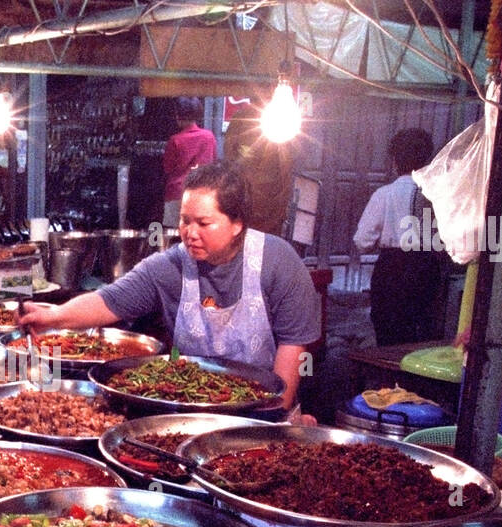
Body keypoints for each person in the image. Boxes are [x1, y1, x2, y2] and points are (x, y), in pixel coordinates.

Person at [20, 161, 320, 414]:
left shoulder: (279, 263)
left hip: (261, 413)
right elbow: (108, 301)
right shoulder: (172, 266)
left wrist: (272, 417)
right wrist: (53, 317)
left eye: (204, 223)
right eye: (185, 221)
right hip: (188, 409)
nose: (190, 233)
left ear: (237, 223)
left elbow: (292, 351)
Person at [354, 127, 448, 346]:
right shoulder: (437, 195)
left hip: (392, 270)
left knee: (389, 337)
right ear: (427, 160)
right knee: (422, 338)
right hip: (427, 268)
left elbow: (362, 242)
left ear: (395, 161)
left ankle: (390, 379)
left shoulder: (384, 195)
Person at [221, 99, 296, 236]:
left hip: (263, 200)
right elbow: (229, 157)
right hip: (252, 198)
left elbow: (286, 166)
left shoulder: (280, 121)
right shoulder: (243, 117)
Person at [161, 97, 216, 227]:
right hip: (203, 192)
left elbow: (167, 168)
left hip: (177, 192)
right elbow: (213, 164)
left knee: (175, 234)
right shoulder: (209, 137)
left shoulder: (175, 140)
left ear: (177, 115)